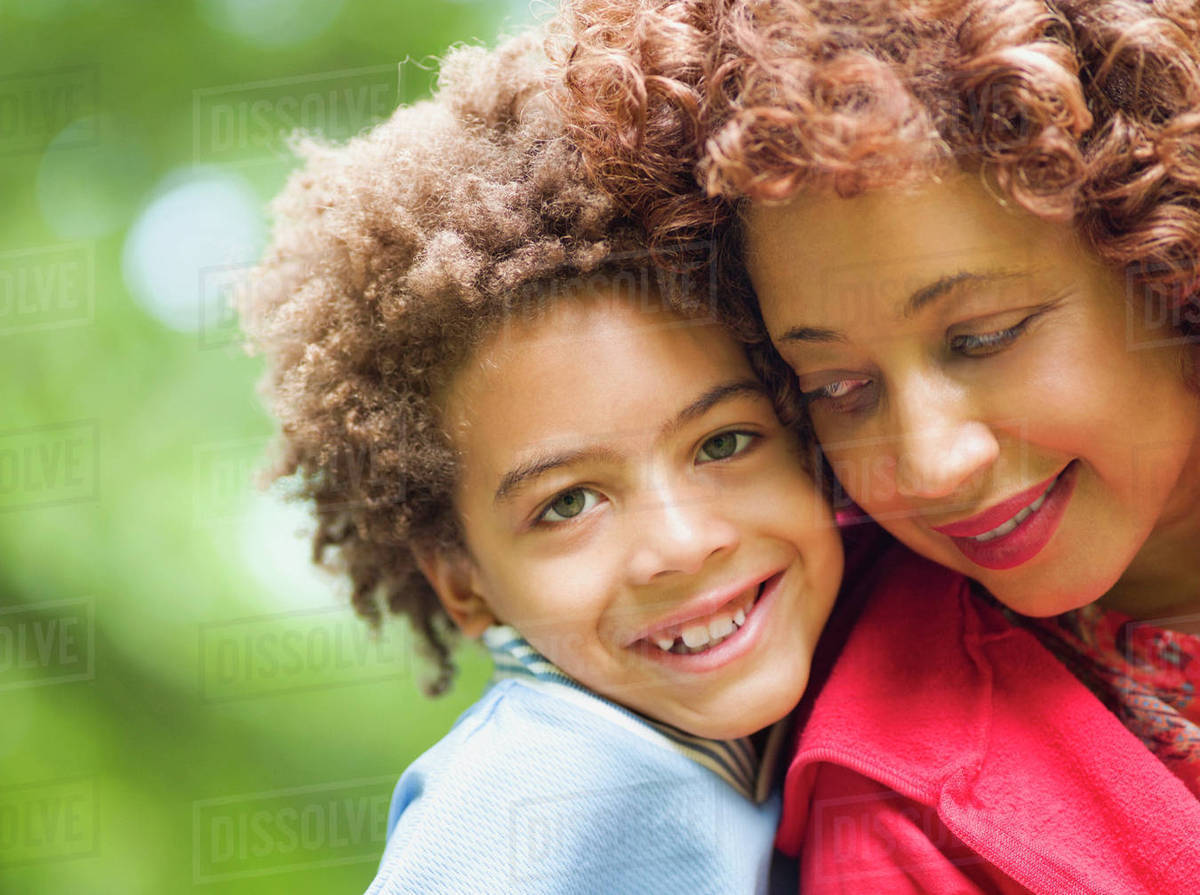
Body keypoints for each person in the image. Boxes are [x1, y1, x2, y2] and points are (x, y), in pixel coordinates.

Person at [558, 0, 1200, 891]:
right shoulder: (902, 824)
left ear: (1163, 256)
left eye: (984, 337)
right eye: (839, 390)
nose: (935, 463)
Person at [239, 30, 846, 894]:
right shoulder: (535, 789)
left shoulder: (756, 739)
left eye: (722, 442)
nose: (679, 544)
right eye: (568, 503)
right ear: (465, 584)